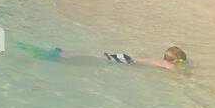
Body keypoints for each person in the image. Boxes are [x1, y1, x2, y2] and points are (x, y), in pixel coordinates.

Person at [18, 43, 189, 71]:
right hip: (125, 61)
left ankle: (60, 52)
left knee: (99, 56)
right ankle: (57, 55)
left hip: (124, 57)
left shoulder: (162, 61)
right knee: (99, 58)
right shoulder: (170, 66)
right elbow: (181, 76)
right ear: (176, 60)